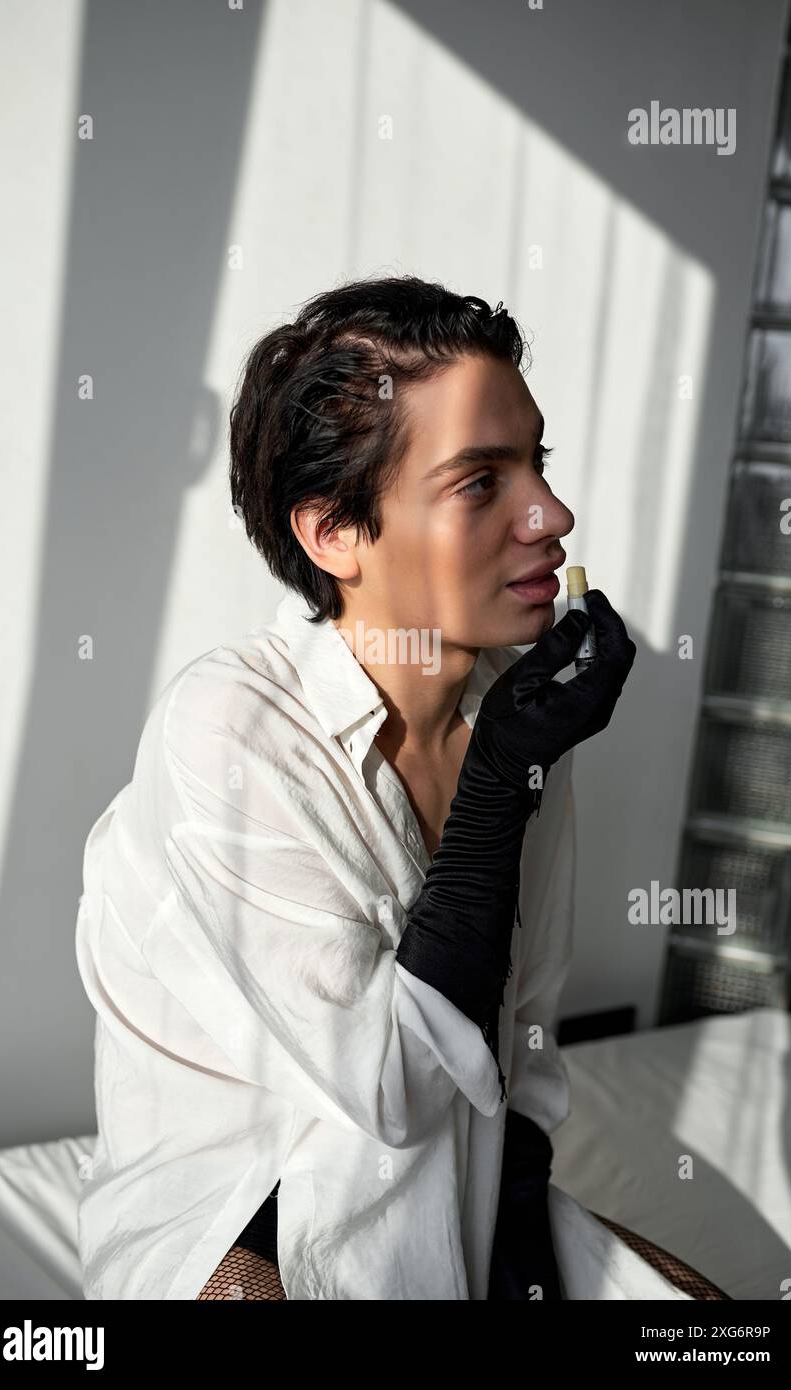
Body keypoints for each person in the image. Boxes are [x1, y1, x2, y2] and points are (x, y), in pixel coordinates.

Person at [75, 274, 635, 1300]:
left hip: (467, 1193)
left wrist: (523, 1247)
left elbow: (524, 1025)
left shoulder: (515, 702)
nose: (550, 514)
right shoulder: (232, 731)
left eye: (537, 463)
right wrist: (504, 776)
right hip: (252, 1221)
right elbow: (396, 1089)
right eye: (481, 482)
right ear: (335, 531)